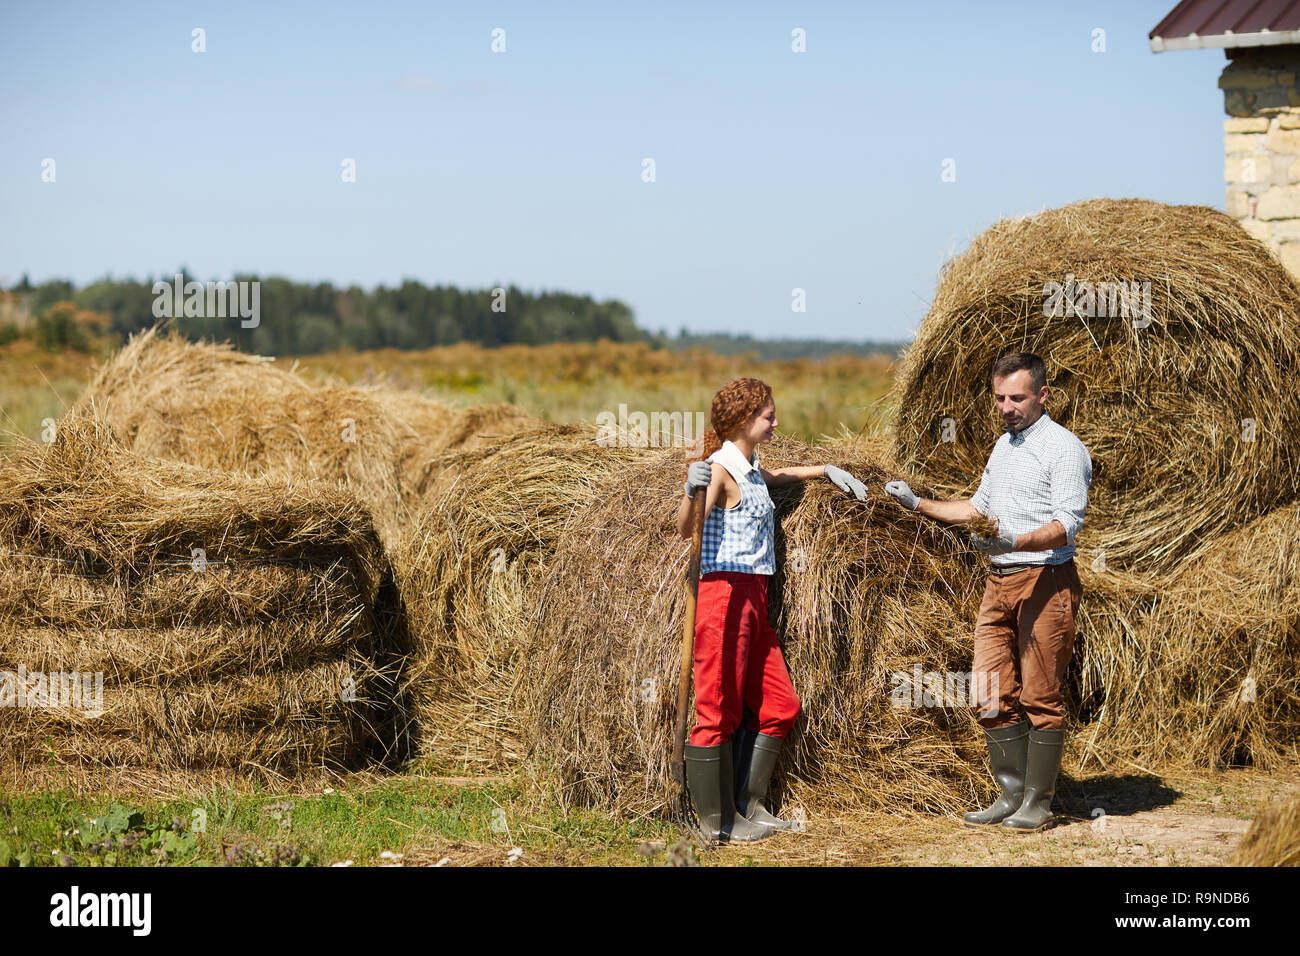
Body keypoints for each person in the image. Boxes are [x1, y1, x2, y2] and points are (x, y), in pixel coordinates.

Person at [884, 352, 1092, 833]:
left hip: (1046, 580)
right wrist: (918, 502)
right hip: (997, 581)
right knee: (987, 693)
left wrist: (1014, 541)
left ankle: (1038, 803)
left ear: (1043, 395)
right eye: (1000, 398)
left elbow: (1068, 524)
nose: (1006, 407)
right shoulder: (1004, 447)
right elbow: (977, 507)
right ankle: (1011, 793)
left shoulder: (1064, 449)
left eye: (1017, 397)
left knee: (1041, 695)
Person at [675, 377, 869, 843]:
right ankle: (715, 823)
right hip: (724, 595)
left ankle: (749, 805)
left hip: (755, 598)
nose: (776, 422)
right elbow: (685, 530)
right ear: (745, 420)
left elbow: (777, 479)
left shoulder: (751, 465)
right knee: (716, 708)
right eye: (768, 416)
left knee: (781, 704)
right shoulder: (719, 467)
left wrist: (824, 470)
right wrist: (690, 488)